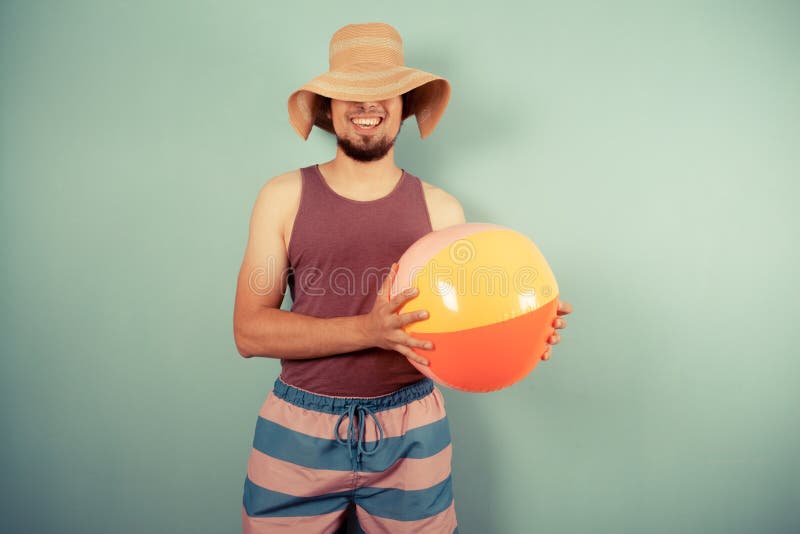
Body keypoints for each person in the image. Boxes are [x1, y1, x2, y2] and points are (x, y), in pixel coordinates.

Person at [233, 22, 572, 534]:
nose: (366, 105)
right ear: (327, 107)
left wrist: (522, 330)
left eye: (382, 92)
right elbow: (249, 332)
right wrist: (368, 330)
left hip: (413, 426)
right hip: (297, 427)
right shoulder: (283, 197)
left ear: (404, 105)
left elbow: (466, 331)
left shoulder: (442, 210)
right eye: (350, 92)